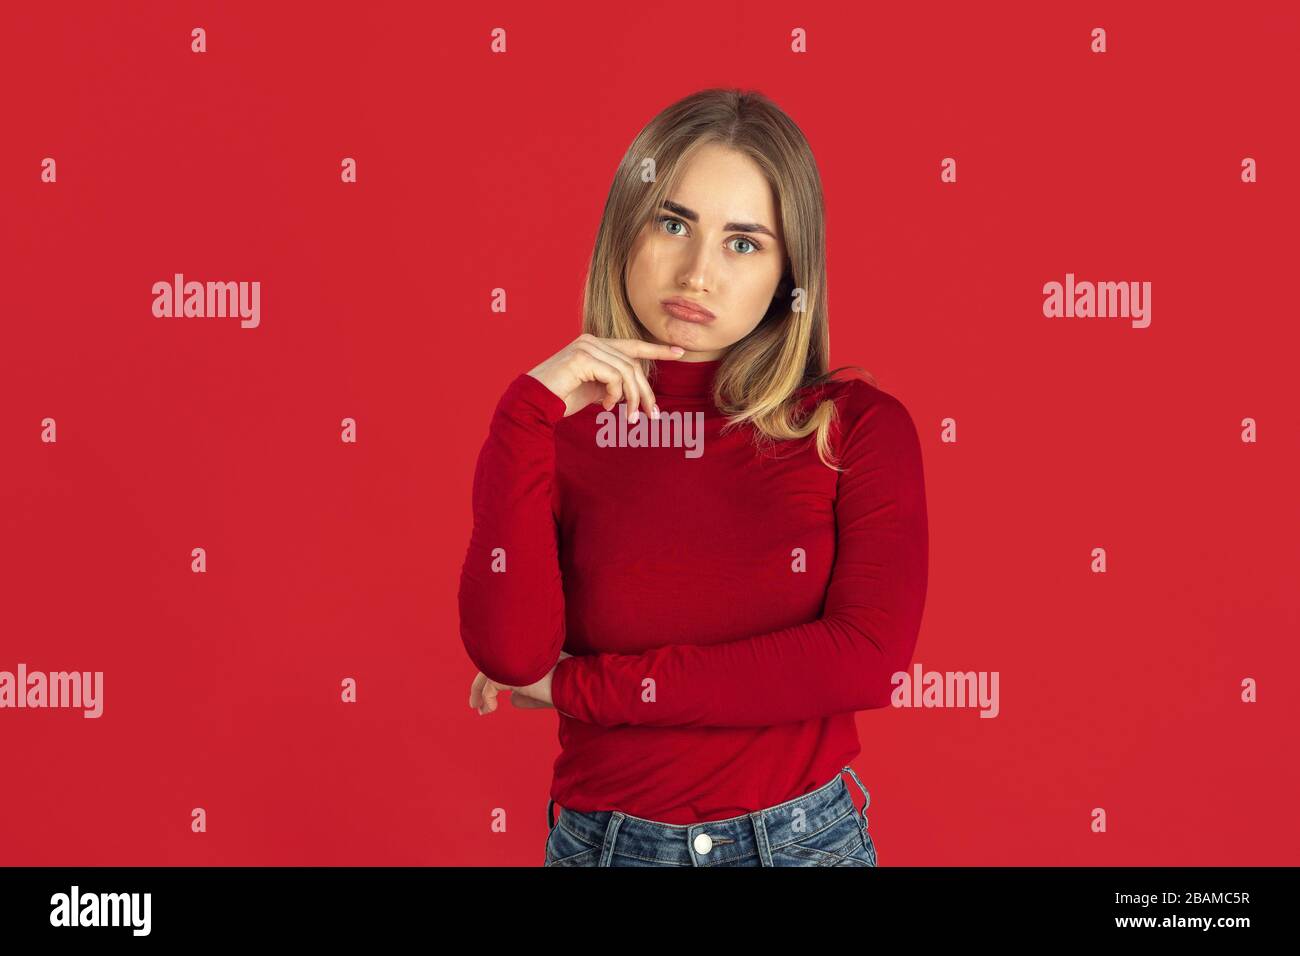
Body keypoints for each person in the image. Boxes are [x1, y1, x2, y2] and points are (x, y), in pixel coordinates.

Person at [459, 88, 929, 867]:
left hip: (801, 845)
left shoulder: (854, 427)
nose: (697, 272)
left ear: (790, 275)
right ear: (626, 230)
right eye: (672, 224)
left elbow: (863, 659)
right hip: (603, 846)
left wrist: (580, 688)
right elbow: (510, 658)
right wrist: (524, 414)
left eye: (744, 243)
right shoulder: (558, 430)